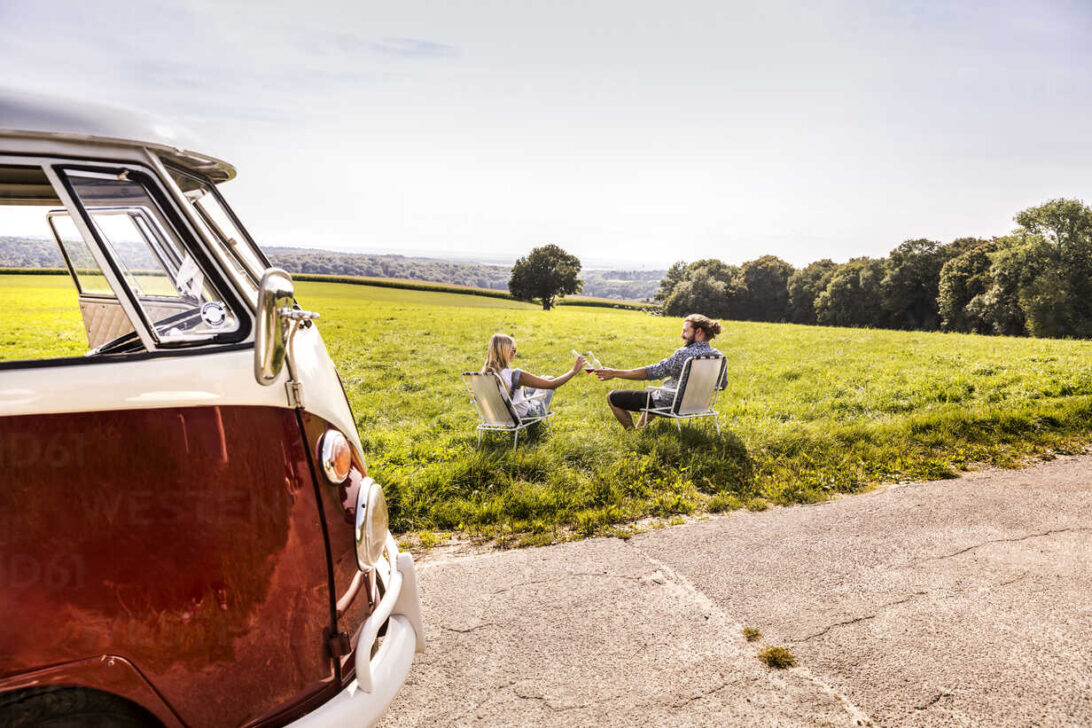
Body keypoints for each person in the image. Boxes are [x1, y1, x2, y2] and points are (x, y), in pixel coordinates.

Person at [595, 313, 724, 429]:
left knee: (613, 397)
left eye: (685, 331)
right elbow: (722, 385)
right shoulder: (719, 356)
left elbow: (650, 373)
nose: (682, 335)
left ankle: (632, 433)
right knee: (655, 394)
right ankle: (640, 430)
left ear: (699, 331)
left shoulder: (684, 354)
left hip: (671, 404)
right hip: (698, 405)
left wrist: (614, 373)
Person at [482, 333, 586, 418]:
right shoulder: (516, 375)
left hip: (498, 415)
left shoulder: (485, 374)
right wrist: (573, 371)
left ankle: (542, 381)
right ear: (505, 352)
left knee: (538, 384)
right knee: (550, 379)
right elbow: (553, 384)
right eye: (513, 350)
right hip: (524, 414)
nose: (514, 353)